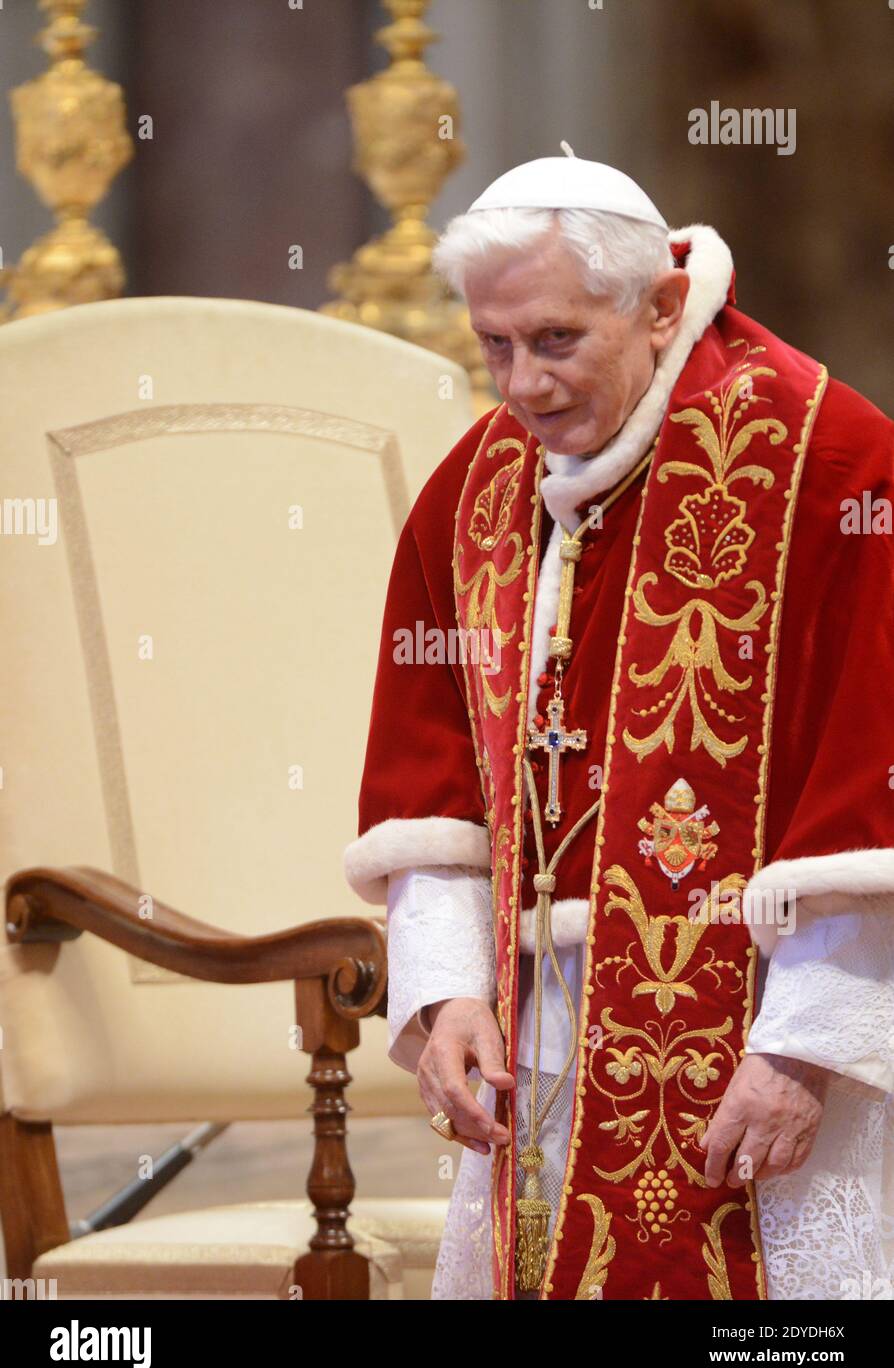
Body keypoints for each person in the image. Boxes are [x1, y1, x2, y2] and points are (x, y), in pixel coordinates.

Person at [344, 147, 894, 1301]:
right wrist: (444, 995)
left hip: (763, 1032)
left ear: (657, 305)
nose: (522, 387)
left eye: (554, 341)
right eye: (493, 344)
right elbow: (432, 787)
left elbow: (868, 800)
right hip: (538, 1048)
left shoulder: (831, 461)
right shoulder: (474, 489)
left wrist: (807, 1049)